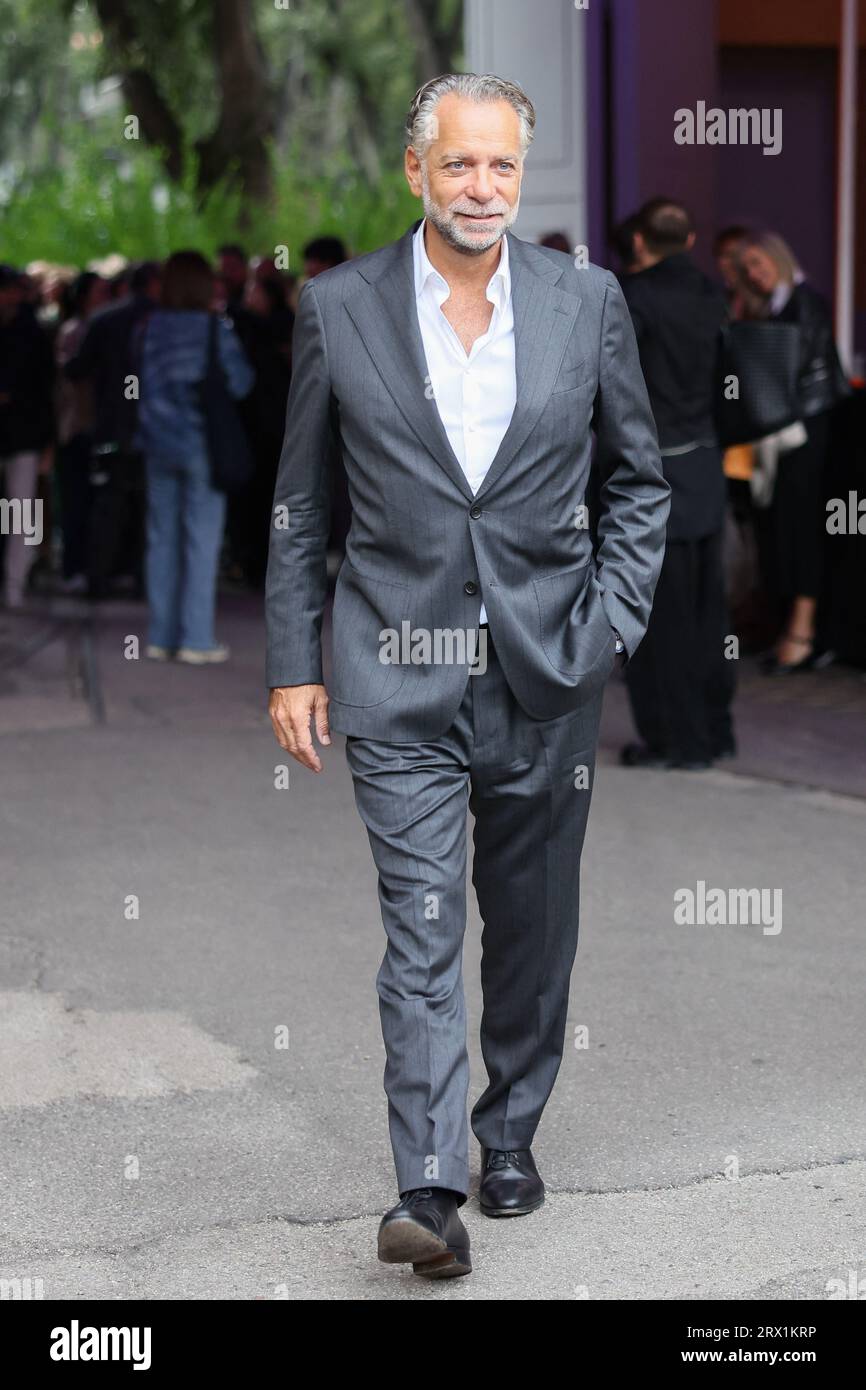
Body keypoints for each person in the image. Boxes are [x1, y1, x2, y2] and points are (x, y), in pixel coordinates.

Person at [266, 73, 669, 1278]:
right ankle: (429, 1186)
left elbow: (637, 481)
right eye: (457, 164)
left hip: (547, 668)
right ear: (415, 172)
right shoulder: (336, 308)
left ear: (518, 175)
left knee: (531, 928)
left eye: (500, 165)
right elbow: (299, 503)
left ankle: (507, 1132)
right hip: (394, 670)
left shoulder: (585, 300)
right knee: (422, 931)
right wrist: (292, 661)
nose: (480, 187)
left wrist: (608, 623)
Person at [618, 198, 735, 768]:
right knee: (708, 611)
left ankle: (674, 738)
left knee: (656, 614)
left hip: (647, 477)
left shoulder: (631, 299)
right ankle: (714, 731)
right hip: (705, 468)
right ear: (689, 242)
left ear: (640, 241)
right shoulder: (715, 295)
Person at [736, 231, 850, 673]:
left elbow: (794, 368)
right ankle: (790, 627)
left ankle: (802, 632)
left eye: (758, 263)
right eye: (746, 268)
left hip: (806, 428)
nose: (753, 274)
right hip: (784, 428)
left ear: (778, 258)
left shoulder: (806, 302)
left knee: (800, 528)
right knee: (780, 527)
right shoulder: (775, 304)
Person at [137, 250, 253, 663]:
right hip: (201, 445)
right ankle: (196, 639)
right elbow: (241, 382)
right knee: (201, 541)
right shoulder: (213, 329)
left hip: (156, 444)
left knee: (161, 539)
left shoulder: (148, 328)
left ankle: (161, 635)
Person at [65, 260, 161, 599]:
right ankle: (145, 579)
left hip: (113, 424)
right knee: (150, 507)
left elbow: (78, 368)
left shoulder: (104, 319)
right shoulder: (167, 320)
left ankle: (98, 578)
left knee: (109, 503)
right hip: (157, 426)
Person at [0, 265, 56, 608]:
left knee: (19, 512)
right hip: (23, 432)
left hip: (23, 433)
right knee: (18, 510)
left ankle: (14, 584)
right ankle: (13, 583)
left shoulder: (31, 333)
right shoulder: (31, 331)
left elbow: (44, 388)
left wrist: (47, 439)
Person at [54, 271, 109, 591]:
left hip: (95, 426)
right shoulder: (75, 331)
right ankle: (73, 566)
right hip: (76, 427)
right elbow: (67, 379)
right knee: (74, 502)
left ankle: (91, 566)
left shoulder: (102, 327)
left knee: (92, 503)